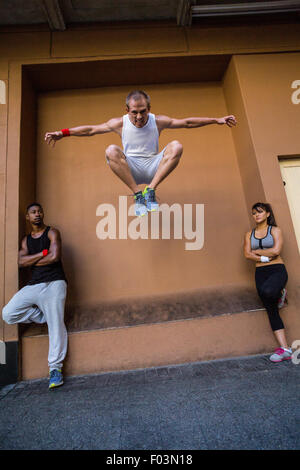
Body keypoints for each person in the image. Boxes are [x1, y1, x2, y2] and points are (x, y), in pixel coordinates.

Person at [44, 90, 237, 216]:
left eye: (143, 112)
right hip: (132, 169)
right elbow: (91, 130)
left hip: (154, 166)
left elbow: (187, 123)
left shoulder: (158, 121)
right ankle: (138, 195)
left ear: (149, 109)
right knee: (111, 150)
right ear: (127, 110)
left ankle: (150, 190)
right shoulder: (119, 123)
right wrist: (63, 133)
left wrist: (216, 120)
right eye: (134, 112)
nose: (138, 117)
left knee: (176, 145)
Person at [2, 203, 68, 389]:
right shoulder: (25, 241)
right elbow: (20, 262)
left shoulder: (52, 232)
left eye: (39, 211)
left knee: (56, 325)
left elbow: (54, 257)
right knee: (8, 313)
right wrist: (42, 254)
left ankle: (55, 369)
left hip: (55, 282)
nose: (37, 214)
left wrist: (32, 260)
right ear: (27, 217)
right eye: (33, 212)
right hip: (34, 286)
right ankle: (45, 315)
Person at [244, 202, 291, 362]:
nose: (256, 215)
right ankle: (285, 349)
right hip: (260, 272)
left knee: (269, 292)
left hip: (277, 269)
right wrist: (264, 256)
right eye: (254, 213)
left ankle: (280, 294)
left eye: (260, 212)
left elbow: (277, 250)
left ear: (267, 214)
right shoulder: (249, 234)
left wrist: (256, 251)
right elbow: (247, 254)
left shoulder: (275, 230)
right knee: (271, 309)